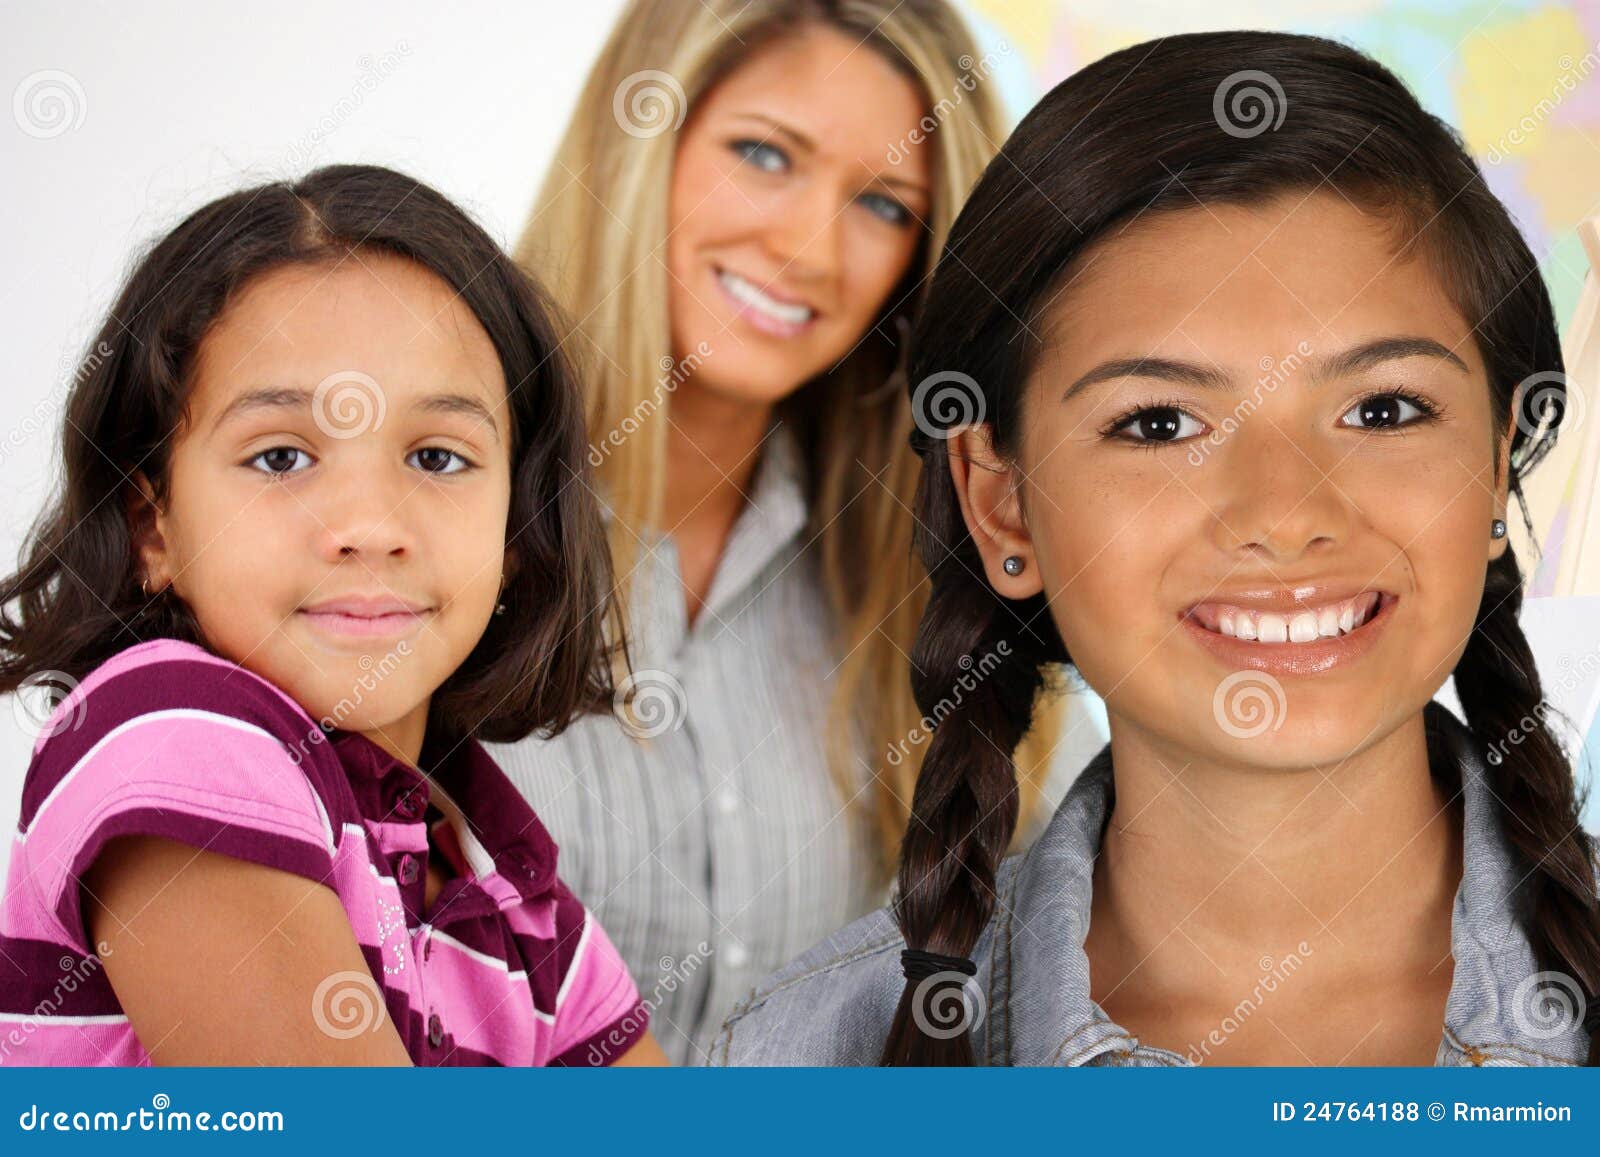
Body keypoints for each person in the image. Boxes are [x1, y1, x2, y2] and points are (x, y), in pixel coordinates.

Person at [714, 30, 1600, 1066]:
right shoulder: (800, 1059)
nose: (1284, 511)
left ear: (1496, 459)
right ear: (1001, 503)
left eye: (1382, 407)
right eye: (1158, 423)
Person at [492, 0, 1082, 1064]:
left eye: (881, 204)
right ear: (640, 144)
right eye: (764, 154)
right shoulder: (416, 529)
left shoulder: (926, 590)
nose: (809, 247)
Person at [0, 164, 665, 1066]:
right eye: (280, 457)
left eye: (436, 456)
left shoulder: (510, 887)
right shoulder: (168, 728)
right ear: (151, 525)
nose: (369, 528)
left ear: (518, 527)